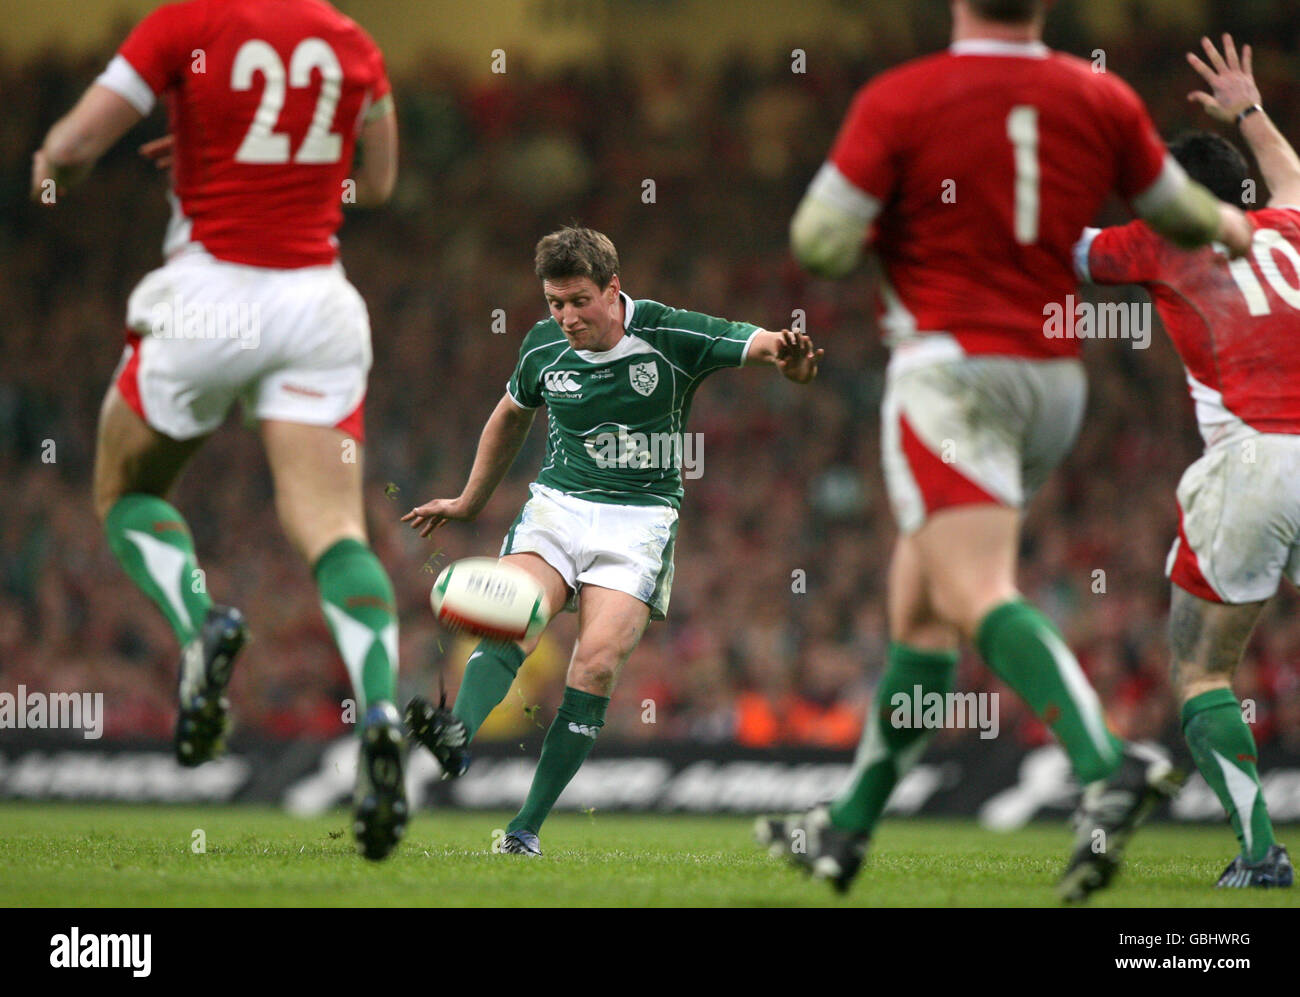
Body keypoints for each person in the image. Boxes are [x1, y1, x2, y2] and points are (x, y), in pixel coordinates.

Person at [756, 0, 1254, 901]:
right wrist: (1234, 227)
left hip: (951, 373)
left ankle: (1107, 763)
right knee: (922, 613)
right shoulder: (1098, 96)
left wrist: (889, 221)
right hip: (1053, 384)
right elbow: (1183, 215)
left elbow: (818, 245)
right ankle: (847, 825)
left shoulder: (903, 97)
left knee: (975, 588)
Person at [30, 0, 407, 861]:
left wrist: (51, 164)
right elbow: (378, 185)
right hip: (316, 305)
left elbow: (78, 145)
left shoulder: (186, 24)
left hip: (209, 298)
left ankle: (199, 622)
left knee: (126, 489)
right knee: (336, 530)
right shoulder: (352, 42)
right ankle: (382, 710)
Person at [401, 226, 821, 855]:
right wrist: (468, 502)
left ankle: (523, 830)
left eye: (579, 301)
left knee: (595, 666)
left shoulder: (669, 333)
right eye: (555, 303)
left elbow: (757, 343)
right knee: (515, 614)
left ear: (612, 288)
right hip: (558, 508)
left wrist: (789, 358)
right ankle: (456, 735)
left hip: (639, 523)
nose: (567, 317)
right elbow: (510, 415)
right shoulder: (543, 346)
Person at [1075, 35, 1299, 889]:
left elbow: (1059, 250)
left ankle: (1261, 854)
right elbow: (1289, 177)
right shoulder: (1292, 228)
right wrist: (1250, 110)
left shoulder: (1159, 242)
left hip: (1254, 460)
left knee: (1203, 667)